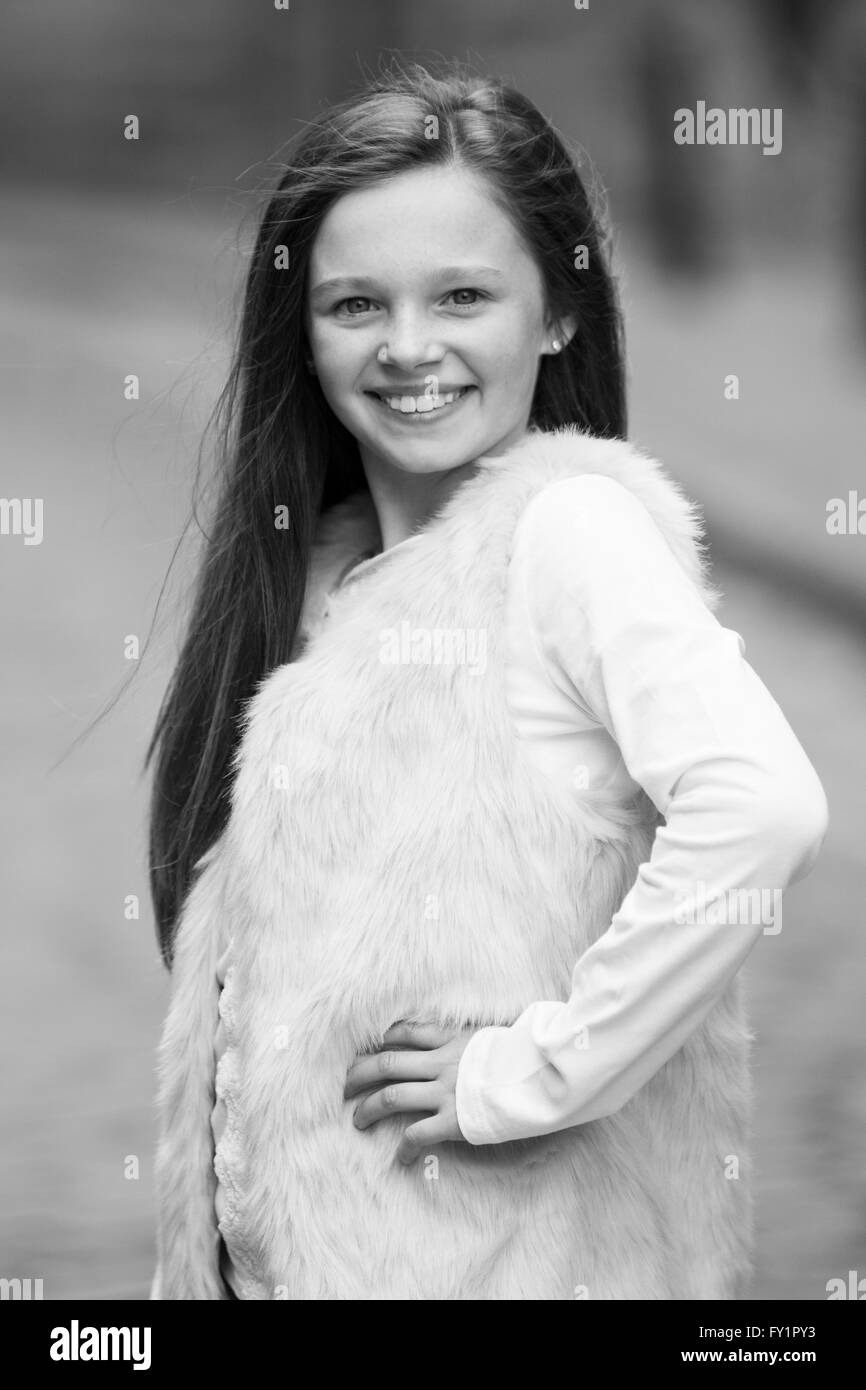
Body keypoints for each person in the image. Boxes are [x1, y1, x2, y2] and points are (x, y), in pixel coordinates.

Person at [147, 58, 828, 1300]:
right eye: (355, 305)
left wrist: (530, 1076)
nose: (409, 349)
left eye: (461, 294)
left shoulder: (566, 536)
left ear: (557, 311)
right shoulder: (318, 589)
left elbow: (761, 807)